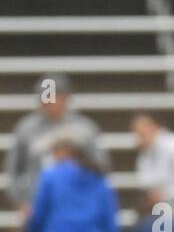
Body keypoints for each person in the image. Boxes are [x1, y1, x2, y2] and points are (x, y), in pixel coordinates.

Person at [4, 74, 107, 223]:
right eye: (43, 98)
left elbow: (101, 166)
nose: (47, 103)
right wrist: (20, 202)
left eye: (53, 97)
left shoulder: (84, 129)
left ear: (66, 97)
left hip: (78, 207)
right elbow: (13, 170)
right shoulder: (26, 129)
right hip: (39, 207)